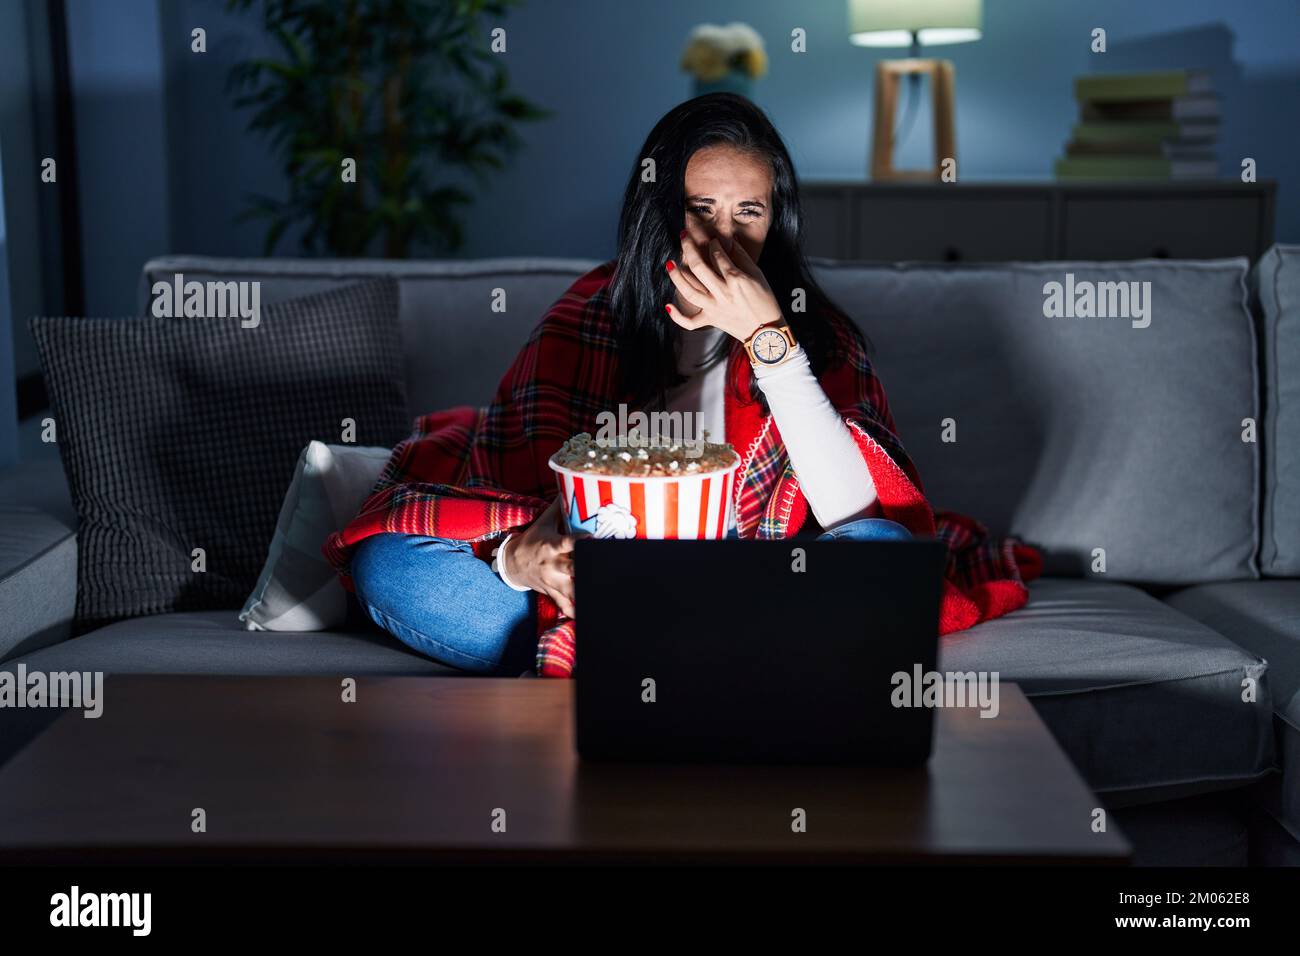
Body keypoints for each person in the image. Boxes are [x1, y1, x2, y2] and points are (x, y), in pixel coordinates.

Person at [324, 93, 1039, 677]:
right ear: (659, 216)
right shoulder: (588, 317)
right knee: (392, 561)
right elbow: (518, 484)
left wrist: (771, 346)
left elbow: (859, 519)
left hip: (753, 584)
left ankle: (671, 662)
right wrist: (521, 563)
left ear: (775, 224)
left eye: (748, 214)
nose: (722, 241)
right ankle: (711, 668)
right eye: (701, 211)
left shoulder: (815, 335)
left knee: (882, 555)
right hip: (597, 589)